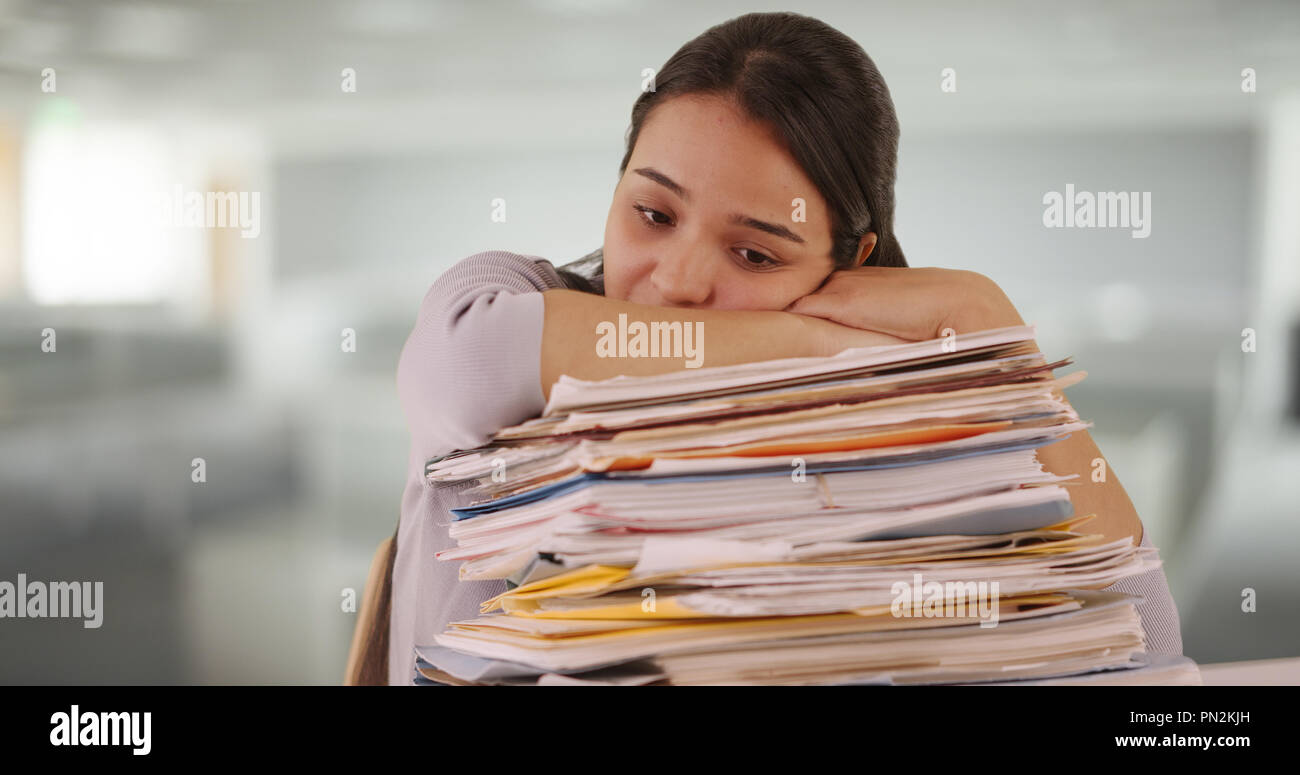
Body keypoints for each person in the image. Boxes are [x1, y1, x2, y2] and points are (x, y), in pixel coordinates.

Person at [374, 11, 1183, 686]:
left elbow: (1146, 649)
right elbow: (465, 362)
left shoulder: (908, 432)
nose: (680, 280)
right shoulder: (513, 296)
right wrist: (809, 338)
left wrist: (992, 333)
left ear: (850, 264)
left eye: (754, 253)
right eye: (653, 212)